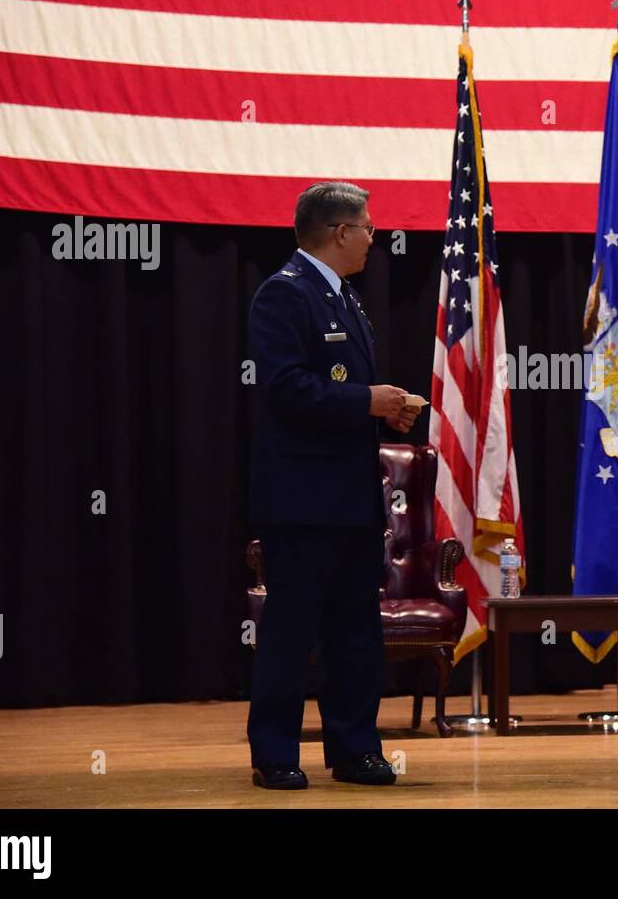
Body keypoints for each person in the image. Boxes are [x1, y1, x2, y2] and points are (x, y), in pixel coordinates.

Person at [246, 181, 420, 788]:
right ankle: (274, 753)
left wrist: (384, 408)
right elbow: (284, 388)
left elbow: (342, 393)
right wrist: (365, 400)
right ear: (340, 232)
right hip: (299, 501)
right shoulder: (283, 295)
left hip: (350, 499)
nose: (375, 237)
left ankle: (353, 748)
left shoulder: (344, 297)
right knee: (292, 631)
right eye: (368, 227)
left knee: (354, 632)